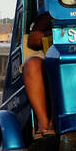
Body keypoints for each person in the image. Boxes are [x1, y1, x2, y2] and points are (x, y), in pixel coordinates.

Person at [23, 9, 54, 138]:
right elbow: (33, 39)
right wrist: (54, 33)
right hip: (54, 52)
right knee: (32, 64)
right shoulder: (54, 11)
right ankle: (44, 121)